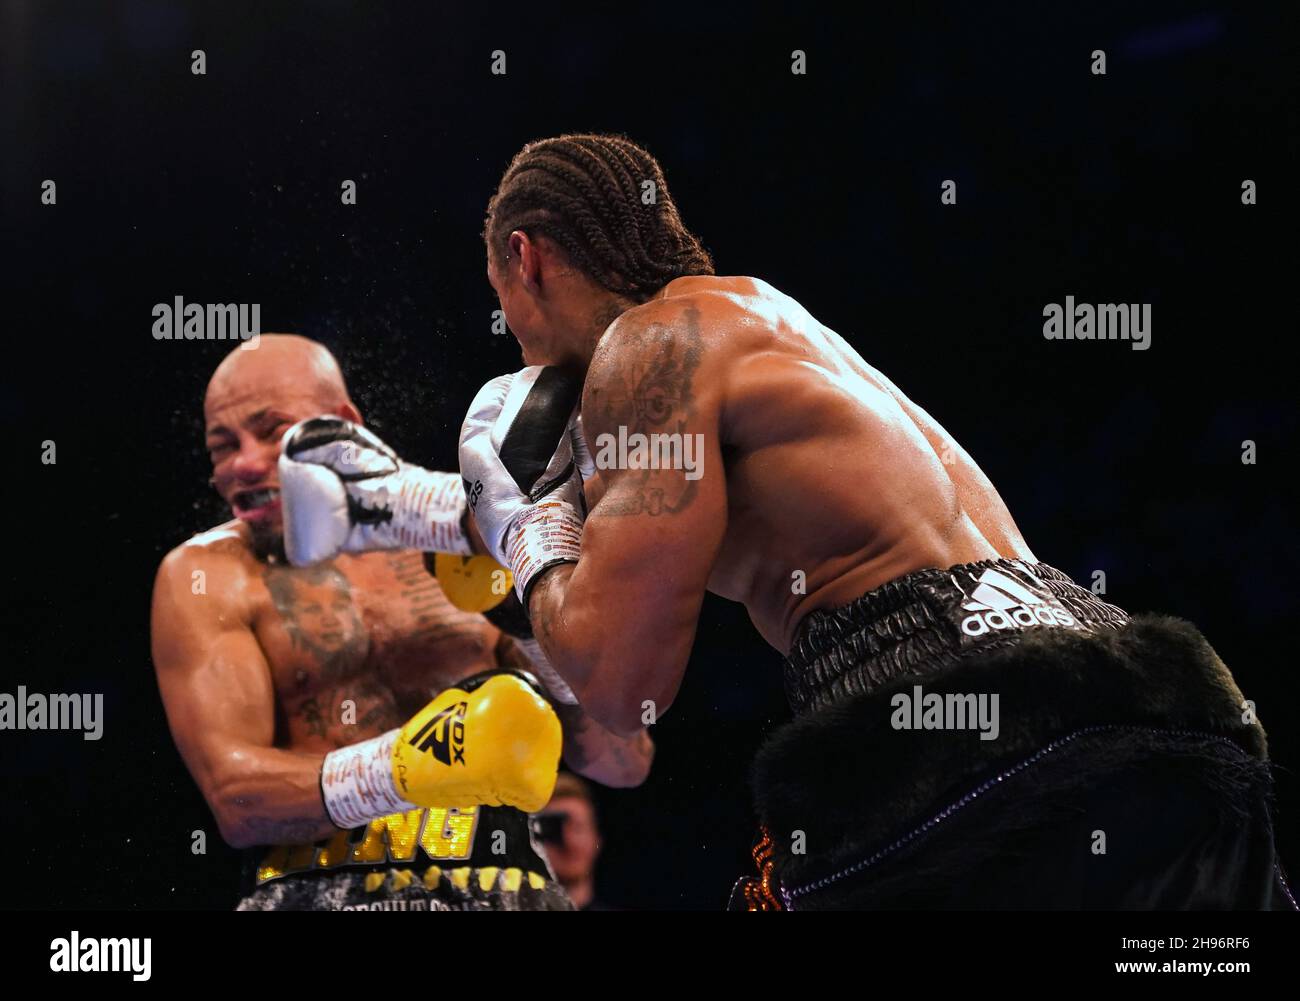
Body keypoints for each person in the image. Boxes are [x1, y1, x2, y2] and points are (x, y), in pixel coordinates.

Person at [454, 132, 1295, 910]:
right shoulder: (770, 318)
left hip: (963, 737)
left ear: (524, 260)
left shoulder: (649, 348)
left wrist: (527, 530)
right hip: (1162, 706)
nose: (522, 355)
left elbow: (621, 682)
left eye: (506, 312)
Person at [150, 334, 653, 911]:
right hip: (319, 892)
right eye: (221, 446)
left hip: (504, 888)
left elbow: (623, 760)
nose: (242, 462)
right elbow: (235, 800)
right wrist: (405, 769)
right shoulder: (209, 573)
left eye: (271, 430)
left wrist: (525, 630)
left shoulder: (466, 546)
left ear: (343, 423)